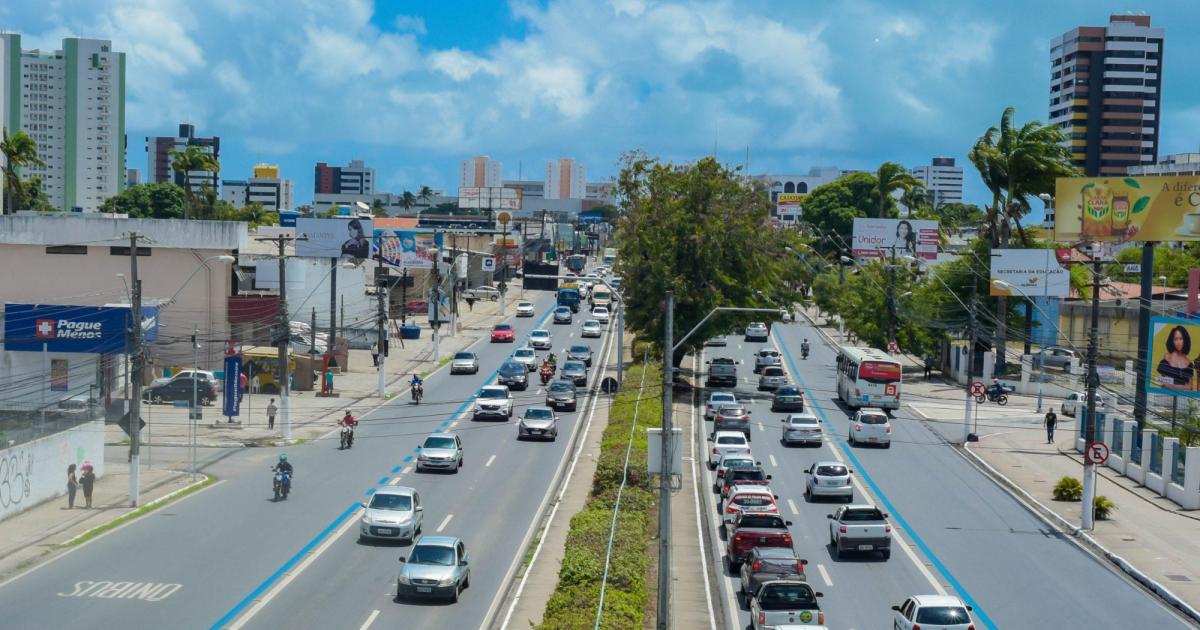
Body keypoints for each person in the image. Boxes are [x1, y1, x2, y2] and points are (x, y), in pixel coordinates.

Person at [1157, 325, 1194, 390]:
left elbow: (1190, 388)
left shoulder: (1189, 364)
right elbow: (1163, 383)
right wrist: (1184, 387)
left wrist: (1172, 386)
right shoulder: (1166, 360)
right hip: (1165, 398)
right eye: (1175, 339)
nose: (1178, 342)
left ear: (1185, 340)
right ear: (1172, 341)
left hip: (1182, 399)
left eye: (1181, 339)